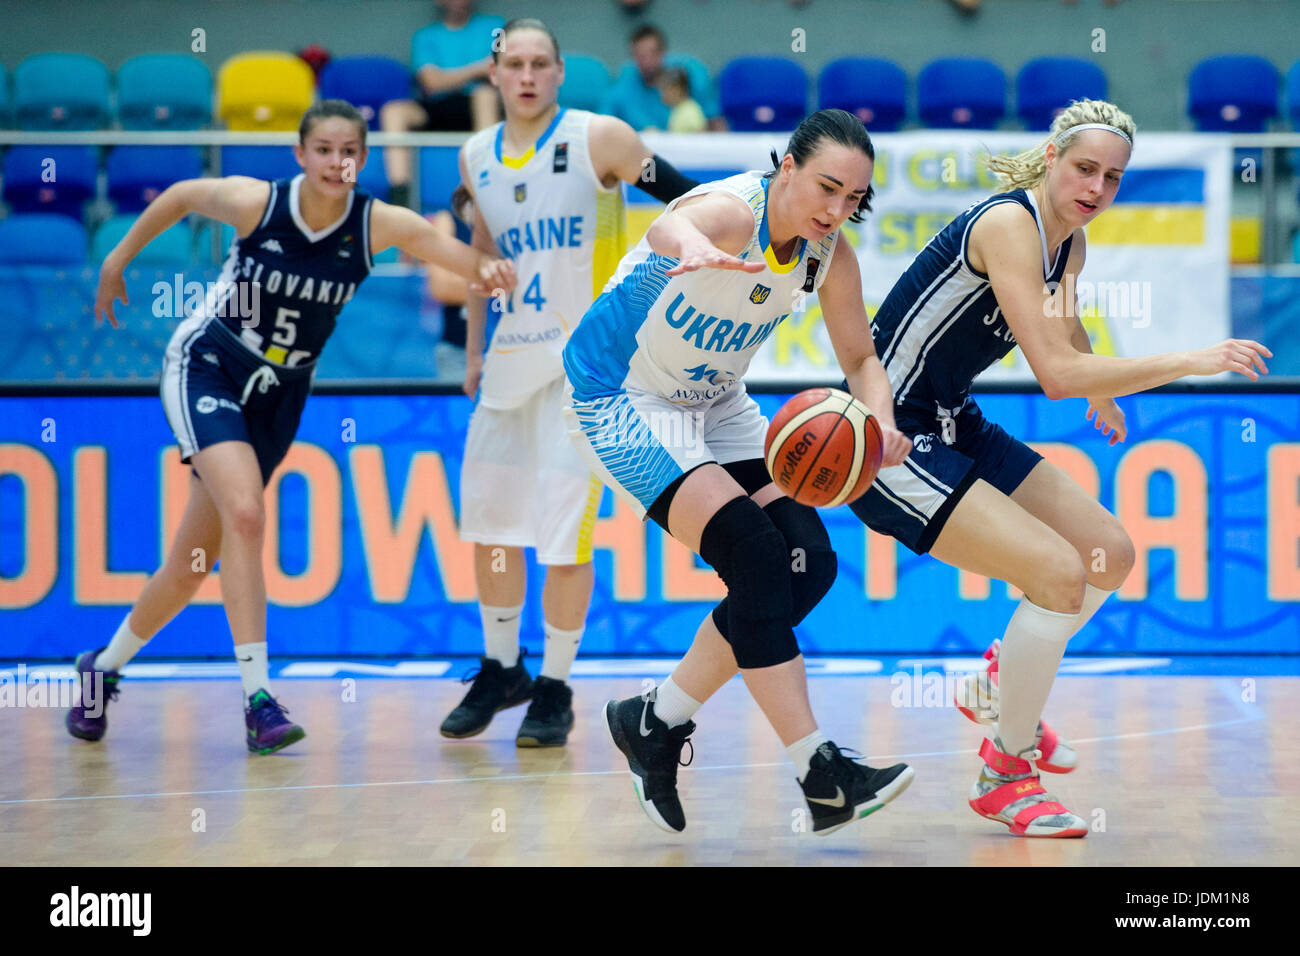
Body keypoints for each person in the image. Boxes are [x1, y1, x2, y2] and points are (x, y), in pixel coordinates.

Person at [843, 99, 1269, 836]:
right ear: (1051, 157)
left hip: (955, 420)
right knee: (1057, 574)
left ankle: (998, 681)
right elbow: (1057, 373)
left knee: (1111, 553)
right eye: (1084, 168)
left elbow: (1068, 335)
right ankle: (1005, 772)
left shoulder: (1068, 247)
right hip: (893, 437)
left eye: (1112, 176)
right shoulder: (1009, 225)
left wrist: (1103, 387)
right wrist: (1190, 360)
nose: (1097, 187)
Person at [68, 99, 514, 753]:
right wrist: (118, 259)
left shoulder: (378, 223)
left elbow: (463, 262)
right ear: (301, 155)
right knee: (246, 514)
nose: (339, 162)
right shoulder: (258, 204)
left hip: (281, 393)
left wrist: (497, 268)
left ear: (363, 159)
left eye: (351, 152)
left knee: (193, 562)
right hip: (211, 365)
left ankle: (101, 669)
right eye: (326, 149)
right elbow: (184, 195)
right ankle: (258, 700)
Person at [563, 109, 916, 835]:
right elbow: (671, 224)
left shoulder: (828, 253)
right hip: (619, 393)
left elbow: (860, 360)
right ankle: (820, 774)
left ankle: (655, 718)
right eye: (826, 188)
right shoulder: (728, 213)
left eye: (854, 199)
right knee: (756, 557)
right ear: (786, 166)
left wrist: (880, 422)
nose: (836, 210)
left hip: (716, 401)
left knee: (808, 564)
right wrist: (694, 247)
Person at [442, 18, 701, 748]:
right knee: (489, 530)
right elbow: (481, 258)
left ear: (560, 72)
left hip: (582, 374)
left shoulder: (601, 138)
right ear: (493, 75)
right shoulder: (473, 157)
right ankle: (502, 667)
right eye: (513, 64)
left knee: (562, 539)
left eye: (539, 63)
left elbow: (686, 200)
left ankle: (554, 688)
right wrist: (470, 352)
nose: (526, 75)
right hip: (506, 365)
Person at [381, 0, 504, 208]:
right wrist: (477, 69)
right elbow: (431, 82)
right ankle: (400, 195)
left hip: (480, 105)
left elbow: (499, 71)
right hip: (437, 108)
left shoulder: (497, 28)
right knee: (393, 111)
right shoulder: (425, 36)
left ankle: (487, 185)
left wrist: (448, 77)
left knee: (484, 95)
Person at [599, 25, 726, 133]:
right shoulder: (621, 88)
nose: (646, 61)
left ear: (663, 53)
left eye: (651, 54)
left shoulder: (685, 82)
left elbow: (716, 123)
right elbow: (601, 129)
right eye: (640, 56)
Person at [659, 67, 707, 134]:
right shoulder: (677, 110)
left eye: (665, 89)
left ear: (679, 90)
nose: (662, 94)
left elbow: (701, 134)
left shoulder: (690, 110)